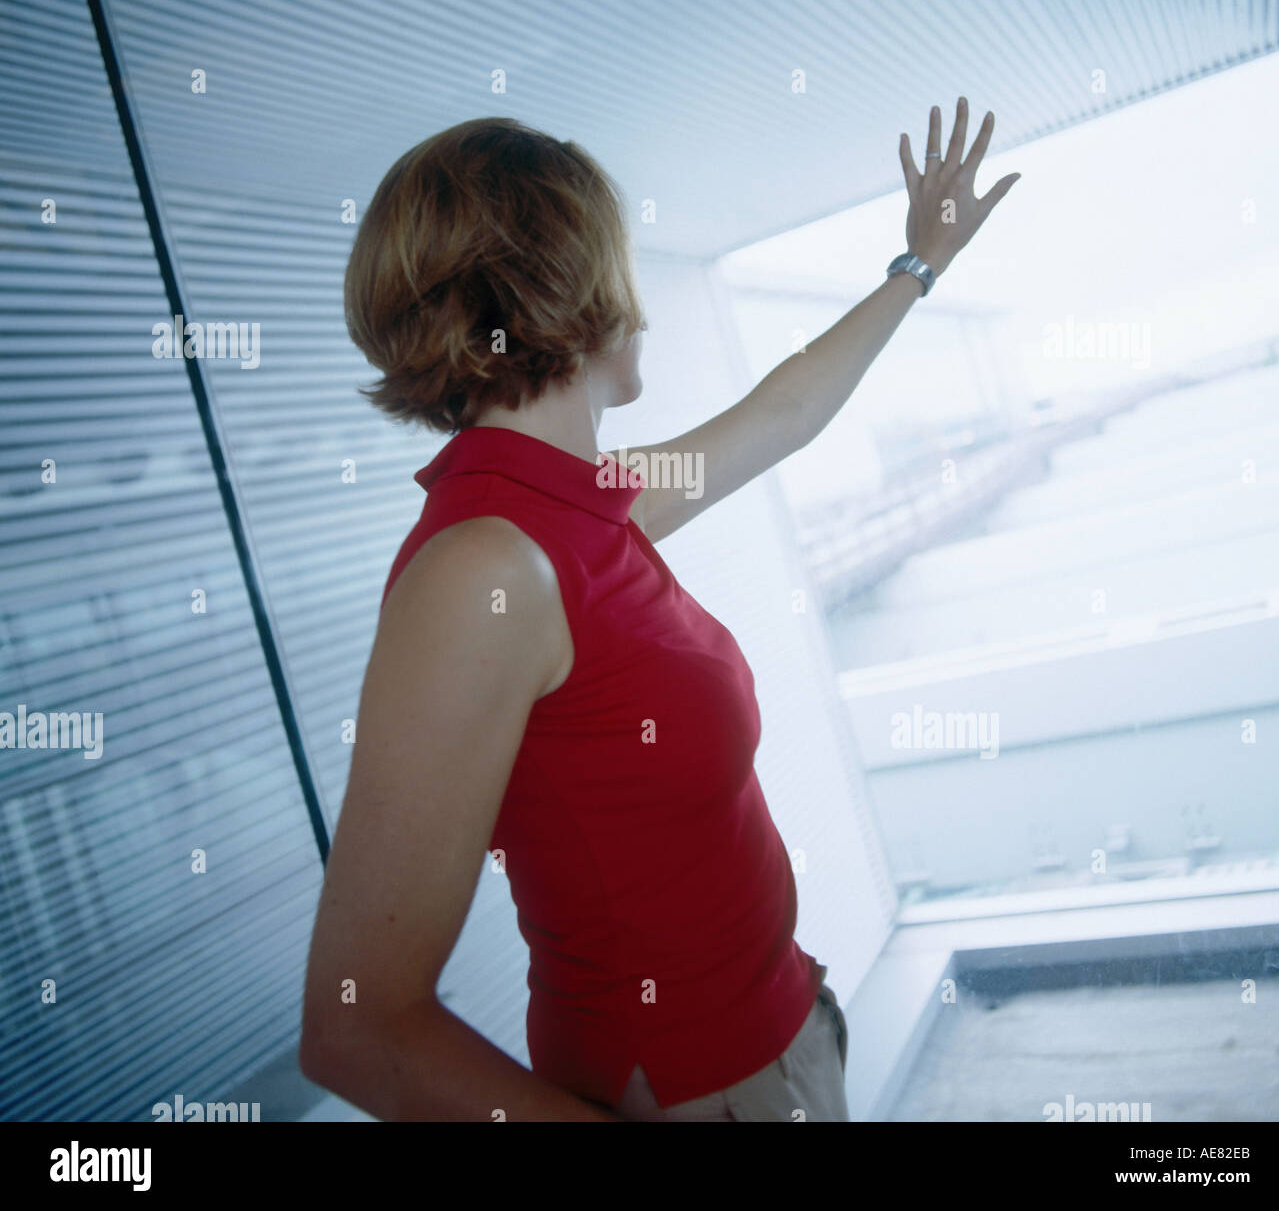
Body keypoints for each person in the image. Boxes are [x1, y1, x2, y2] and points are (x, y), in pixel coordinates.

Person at [298, 102, 1019, 1120]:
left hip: (782, 1037)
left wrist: (919, 264)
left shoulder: (584, 502)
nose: (640, 304)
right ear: (564, 288)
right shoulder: (485, 570)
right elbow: (356, 1027)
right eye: (617, 262)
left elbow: (784, 412)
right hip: (695, 1094)